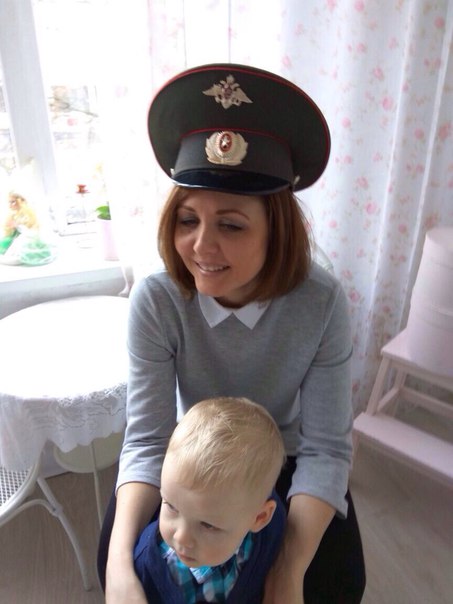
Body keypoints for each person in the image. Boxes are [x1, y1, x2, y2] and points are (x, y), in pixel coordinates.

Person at [98, 63, 366, 604]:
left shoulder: (321, 302)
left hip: (282, 460)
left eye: (231, 224)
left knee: (336, 580)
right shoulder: (156, 300)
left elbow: (326, 449)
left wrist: (288, 569)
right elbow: (148, 439)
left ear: (277, 230)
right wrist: (118, 567)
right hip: (194, 456)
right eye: (187, 220)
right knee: (120, 557)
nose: (201, 246)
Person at [133, 396, 286, 603]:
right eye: (171, 506)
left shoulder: (270, 533)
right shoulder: (146, 567)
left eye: (207, 525)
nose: (181, 537)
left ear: (259, 518)